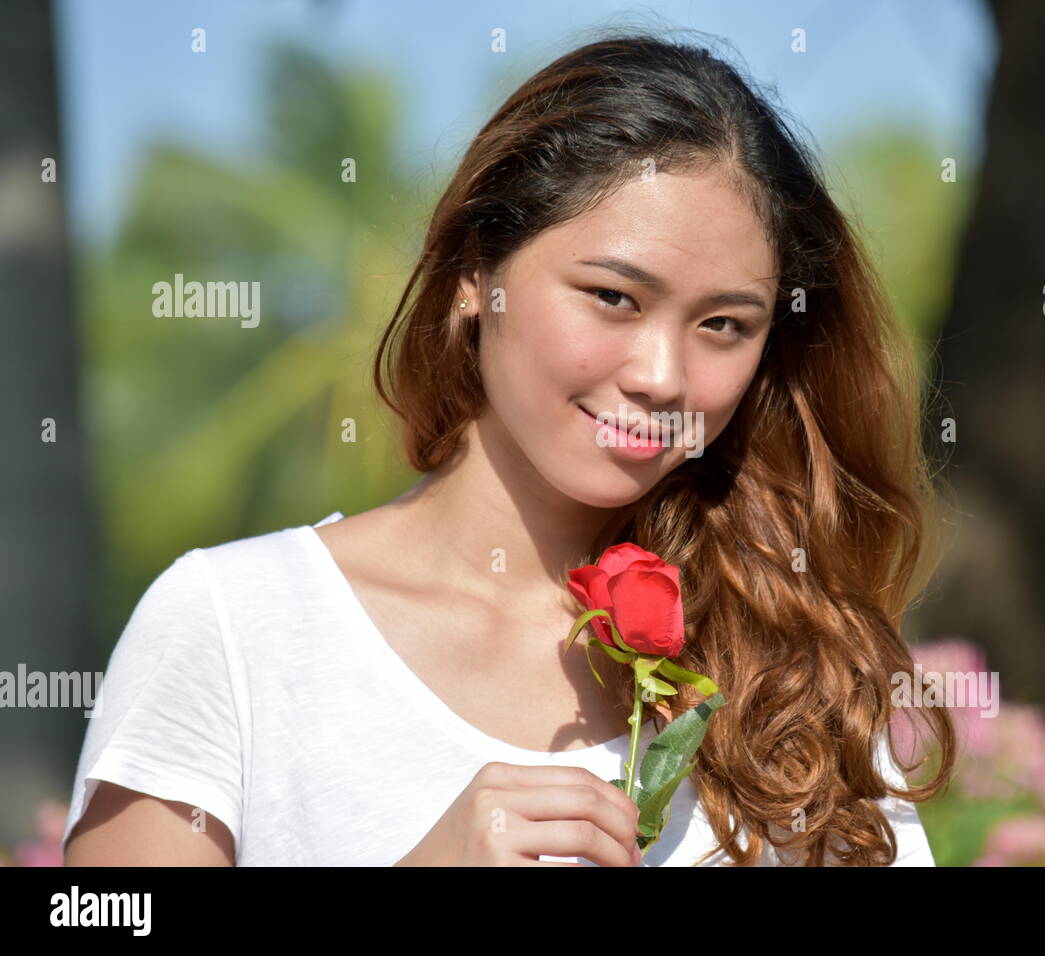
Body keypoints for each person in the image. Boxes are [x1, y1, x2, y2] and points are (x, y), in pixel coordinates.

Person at [63, 29, 955, 867]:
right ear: (471, 277)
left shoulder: (798, 673)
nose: (661, 374)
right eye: (613, 297)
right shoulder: (234, 626)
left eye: (724, 323)